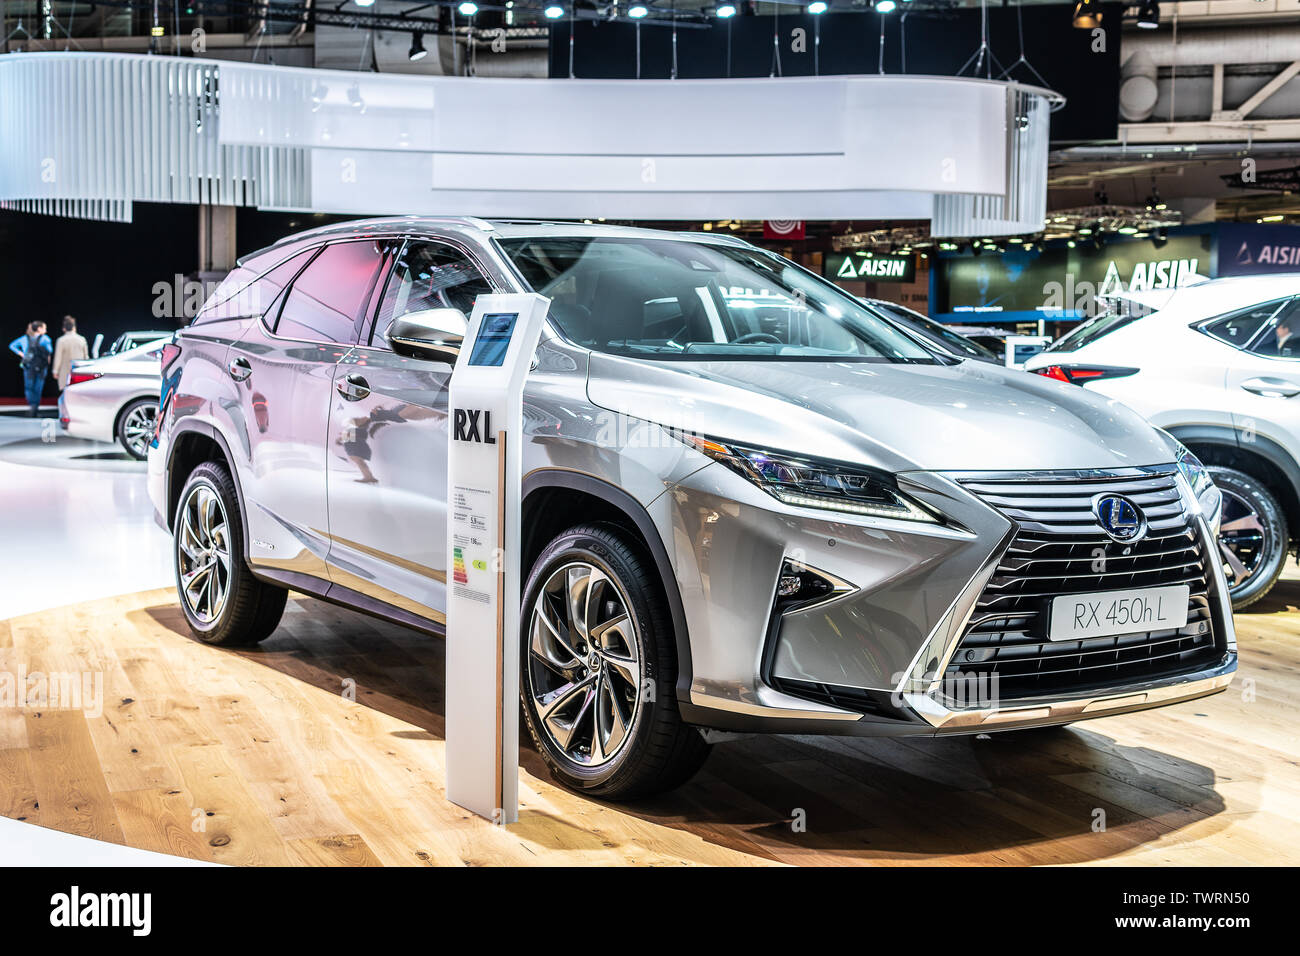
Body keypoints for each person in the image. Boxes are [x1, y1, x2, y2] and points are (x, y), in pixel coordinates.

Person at [9, 320, 53, 417]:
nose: (45, 330)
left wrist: (21, 354)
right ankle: (35, 407)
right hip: (41, 367)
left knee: (29, 387)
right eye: (44, 328)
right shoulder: (45, 339)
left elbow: (12, 346)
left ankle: (32, 405)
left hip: (29, 366)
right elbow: (49, 351)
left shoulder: (24, 338)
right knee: (38, 387)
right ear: (39, 329)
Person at [52, 315, 90, 391]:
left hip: (65, 369)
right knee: (78, 389)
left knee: (66, 389)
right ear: (74, 327)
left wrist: (55, 370)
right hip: (79, 369)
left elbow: (58, 357)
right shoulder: (81, 339)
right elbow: (86, 356)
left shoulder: (61, 340)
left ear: (64, 328)